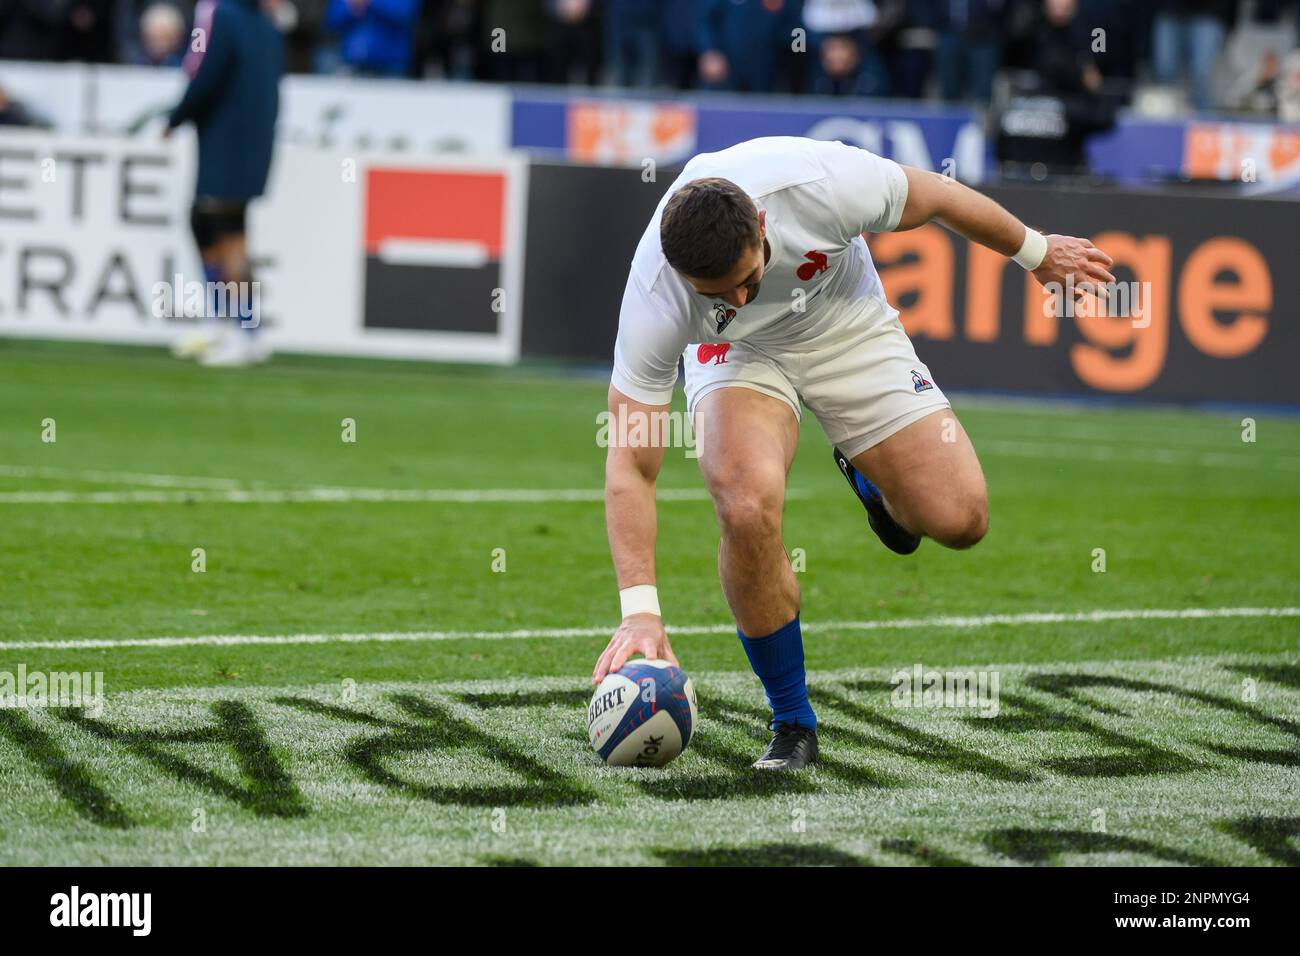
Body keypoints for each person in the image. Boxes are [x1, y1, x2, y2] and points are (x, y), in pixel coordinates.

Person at [591, 136, 1113, 769]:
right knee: (746, 502)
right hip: (736, 360)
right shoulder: (656, 294)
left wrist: (1035, 252)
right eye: (716, 295)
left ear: (762, 224)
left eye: (747, 282)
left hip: (843, 323)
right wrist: (639, 613)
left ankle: (873, 483)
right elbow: (631, 463)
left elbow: (941, 196)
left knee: (959, 519)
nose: (735, 302)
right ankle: (792, 722)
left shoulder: (821, 183)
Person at [166, 0, 284, 367]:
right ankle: (221, 322)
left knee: (227, 232)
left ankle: (246, 332)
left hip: (226, 141)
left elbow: (201, 68)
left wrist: (176, 116)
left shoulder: (217, 14)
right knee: (206, 223)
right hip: (254, 140)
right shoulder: (267, 23)